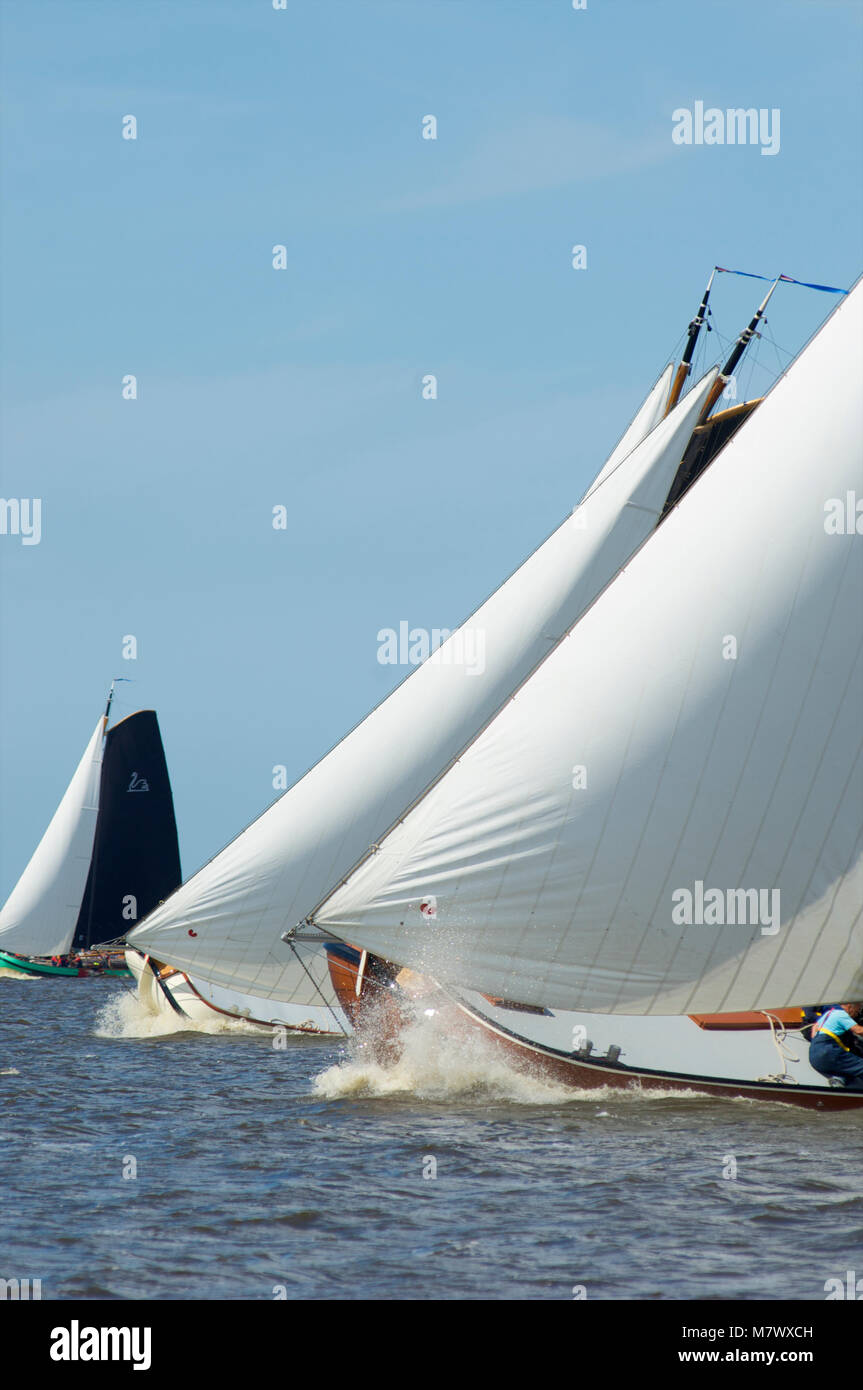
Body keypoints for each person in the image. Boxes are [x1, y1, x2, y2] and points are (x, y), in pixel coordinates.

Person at [808, 1002, 863, 1090]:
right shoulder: (841, 1014)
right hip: (828, 1051)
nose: (858, 1013)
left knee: (846, 1073)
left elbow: (814, 1032)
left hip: (813, 1056)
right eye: (858, 1009)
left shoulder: (827, 1014)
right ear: (849, 1006)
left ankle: (839, 1082)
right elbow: (859, 1030)